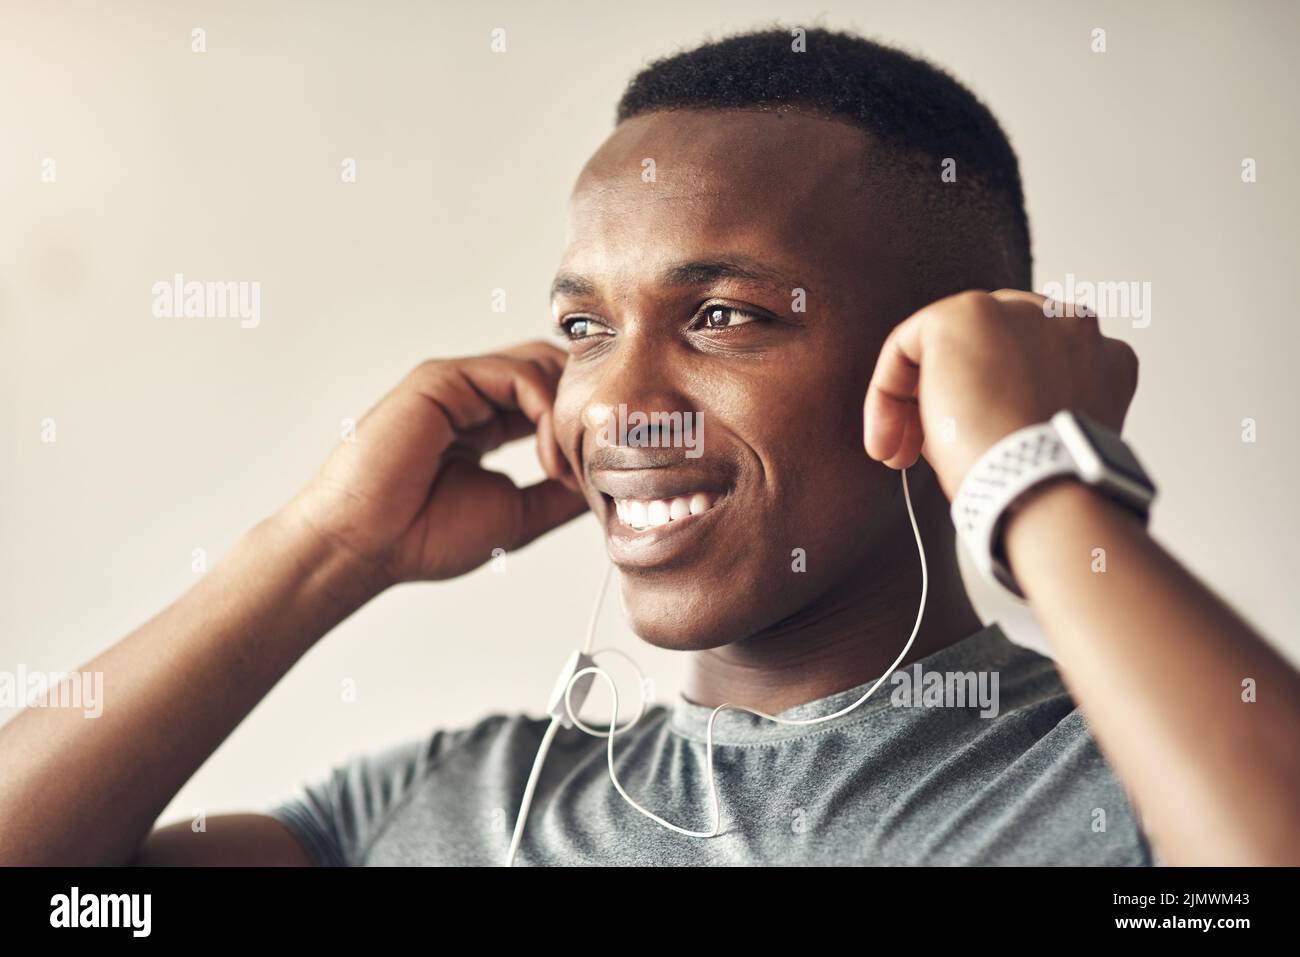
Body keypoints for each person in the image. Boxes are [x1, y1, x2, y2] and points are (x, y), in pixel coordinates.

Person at [2, 26, 1296, 867]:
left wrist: (1030, 472)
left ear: (939, 365)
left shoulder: (1130, 789)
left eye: (722, 316)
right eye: (582, 323)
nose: (613, 399)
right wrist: (321, 548)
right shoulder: (447, 812)